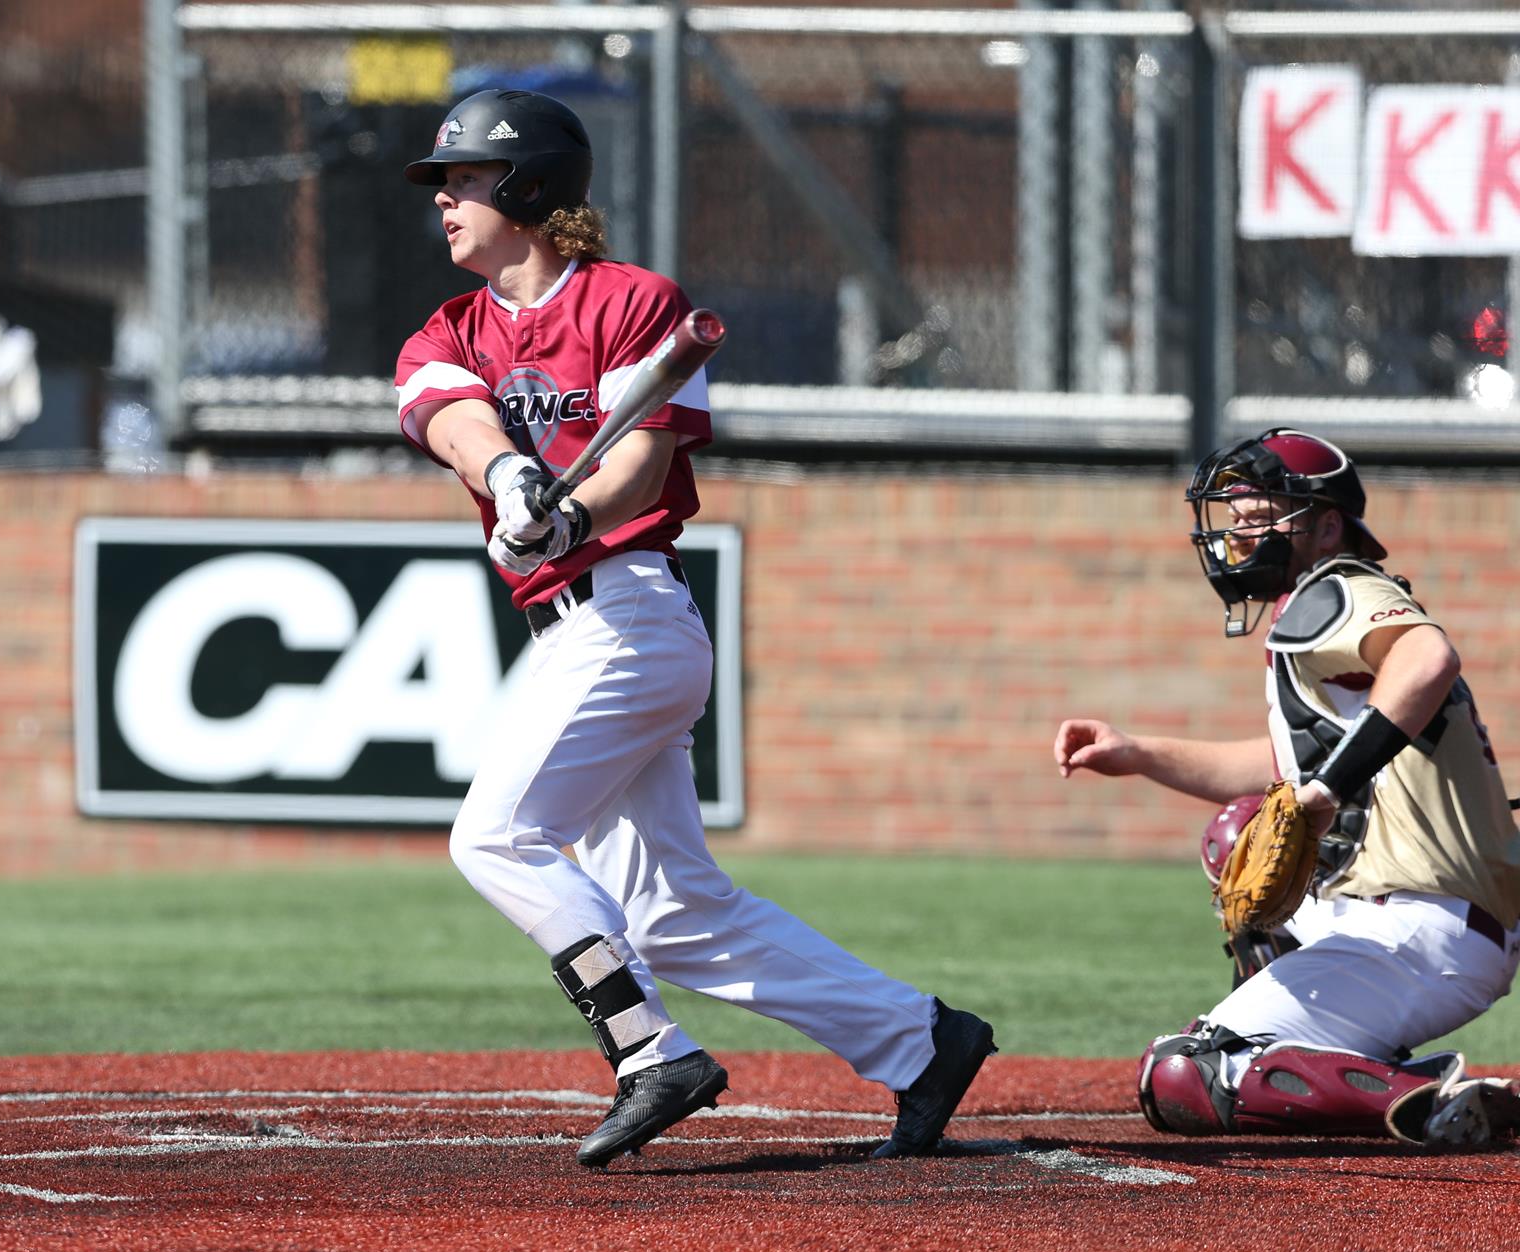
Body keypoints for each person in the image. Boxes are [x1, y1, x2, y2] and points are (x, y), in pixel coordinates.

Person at [393, 88, 995, 1167]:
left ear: (528, 186)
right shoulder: (451, 329)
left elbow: (642, 460)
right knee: (671, 913)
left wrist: (570, 515)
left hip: (628, 614)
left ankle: (648, 1051)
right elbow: (452, 416)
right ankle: (920, 1040)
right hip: (569, 630)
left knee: (495, 835)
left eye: (466, 179)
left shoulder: (633, 302)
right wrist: (513, 478)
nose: (444, 200)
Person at [1053, 428, 1520, 1149]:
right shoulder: (1313, 607)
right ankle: (1352, 1054)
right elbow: (1282, 764)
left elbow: (1428, 657)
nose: (1239, 532)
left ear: (1327, 526)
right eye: (1234, 516)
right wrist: (1138, 753)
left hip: (1421, 927)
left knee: (1189, 1072)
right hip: (1409, 917)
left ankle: (1432, 1102)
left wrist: (1327, 790)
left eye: (1262, 514)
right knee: (1238, 837)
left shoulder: (1338, 587)